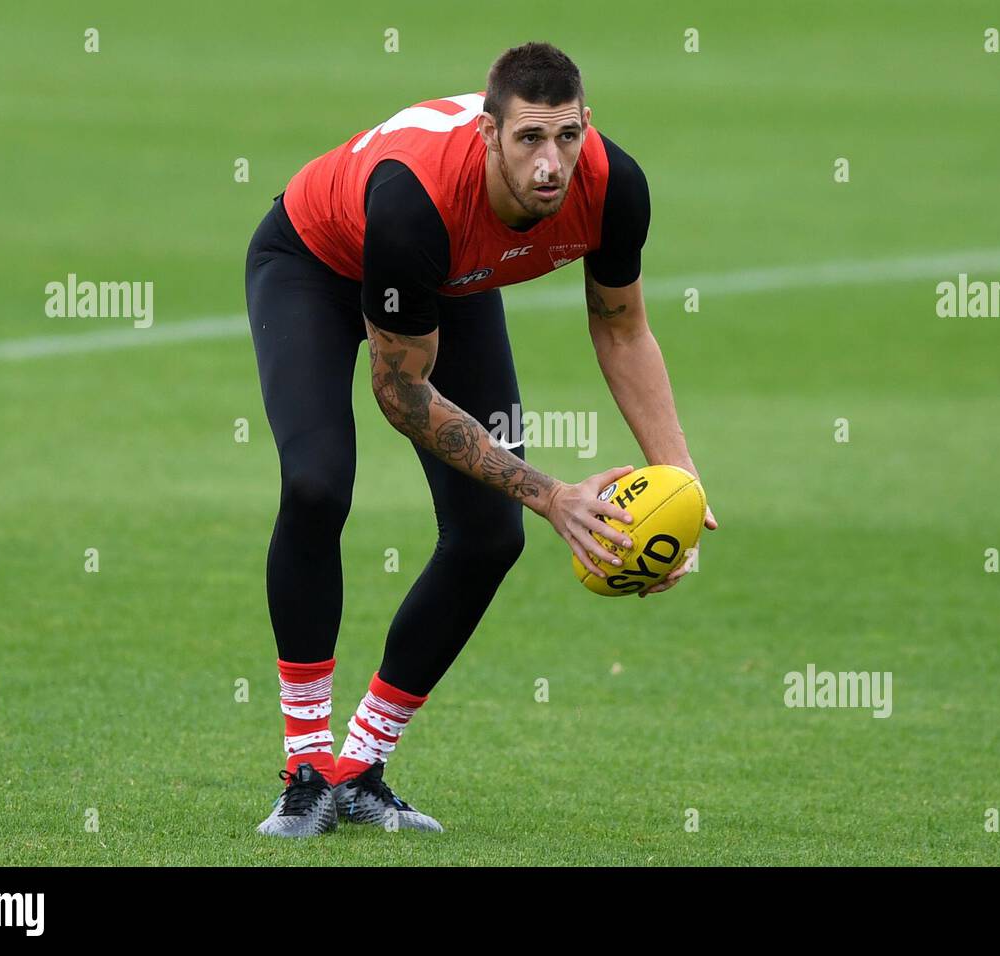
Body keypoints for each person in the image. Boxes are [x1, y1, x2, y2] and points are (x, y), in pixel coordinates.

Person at [244, 41, 716, 836]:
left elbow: (623, 328)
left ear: (586, 127)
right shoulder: (411, 202)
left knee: (489, 538)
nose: (550, 164)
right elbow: (401, 394)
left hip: (454, 276)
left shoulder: (613, 186)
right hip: (316, 263)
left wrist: (683, 489)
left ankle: (361, 768)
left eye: (565, 137)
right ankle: (308, 767)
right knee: (318, 483)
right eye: (528, 138)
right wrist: (553, 495)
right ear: (487, 135)